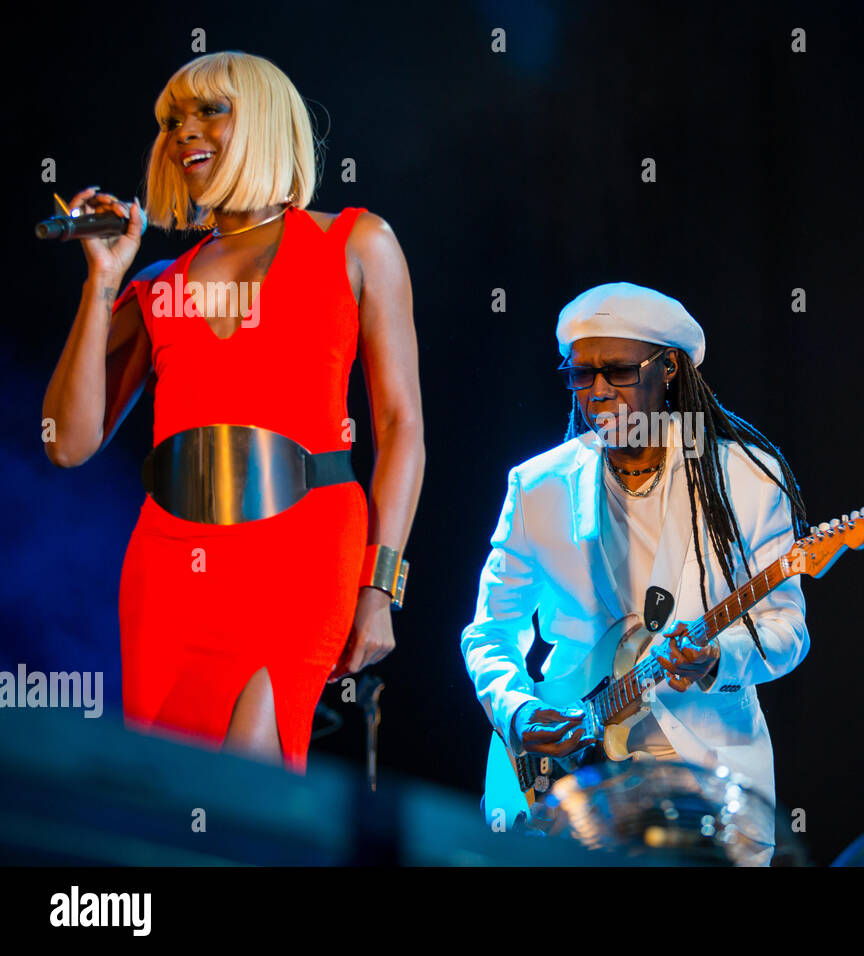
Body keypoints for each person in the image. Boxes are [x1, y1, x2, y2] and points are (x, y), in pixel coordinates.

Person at [41, 51, 425, 773]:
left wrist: (381, 587)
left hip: (302, 548)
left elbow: (402, 427)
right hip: (169, 563)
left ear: (265, 120)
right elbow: (67, 442)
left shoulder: (356, 242)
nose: (186, 130)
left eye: (209, 109)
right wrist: (102, 282)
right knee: (171, 796)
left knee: (250, 784)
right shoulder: (159, 283)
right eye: (172, 120)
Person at [460, 281, 809, 863]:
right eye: (581, 374)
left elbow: (787, 629)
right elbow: (490, 631)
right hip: (573, 779)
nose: (597, 392)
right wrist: (518, 709)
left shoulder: (745, 477)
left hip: (705, 769)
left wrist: (716, 658)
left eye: (619, 371)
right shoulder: (539, 485)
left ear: (668, 368)